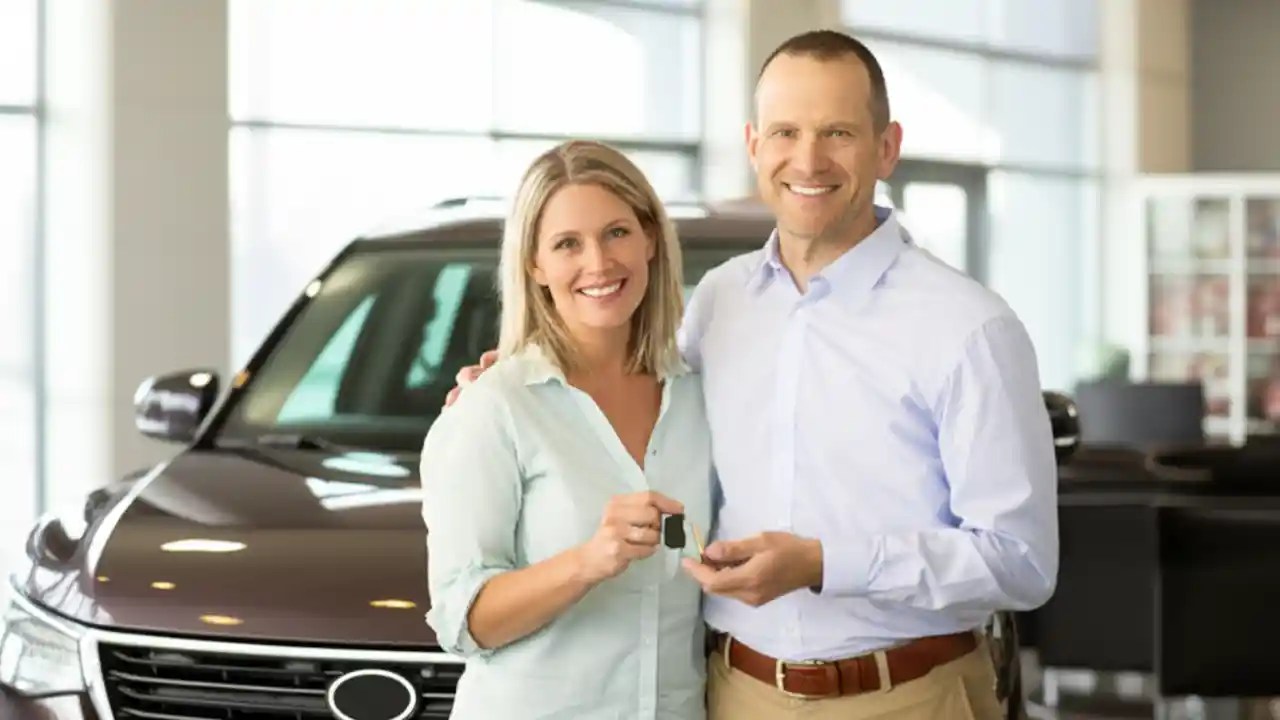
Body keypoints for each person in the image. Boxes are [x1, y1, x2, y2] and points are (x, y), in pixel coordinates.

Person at [449, 30, 1057, 720]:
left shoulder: (968, 327)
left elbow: (1022, 562)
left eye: (837, 133)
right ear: (753, 146)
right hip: (733, 693)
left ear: (887, 147)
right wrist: (509, 382)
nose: (808, 159)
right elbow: (627, 383)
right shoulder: (720, 301)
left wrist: (823, 563)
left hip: (909, 697)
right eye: (785, 132)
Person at [420, 140, 713, 719]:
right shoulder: (495, 408)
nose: (598, 263)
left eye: (616, 233)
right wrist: (587, 561)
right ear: (535, 264)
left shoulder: (699, 397)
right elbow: (462, 620)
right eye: (567, 244)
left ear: (650, 239)